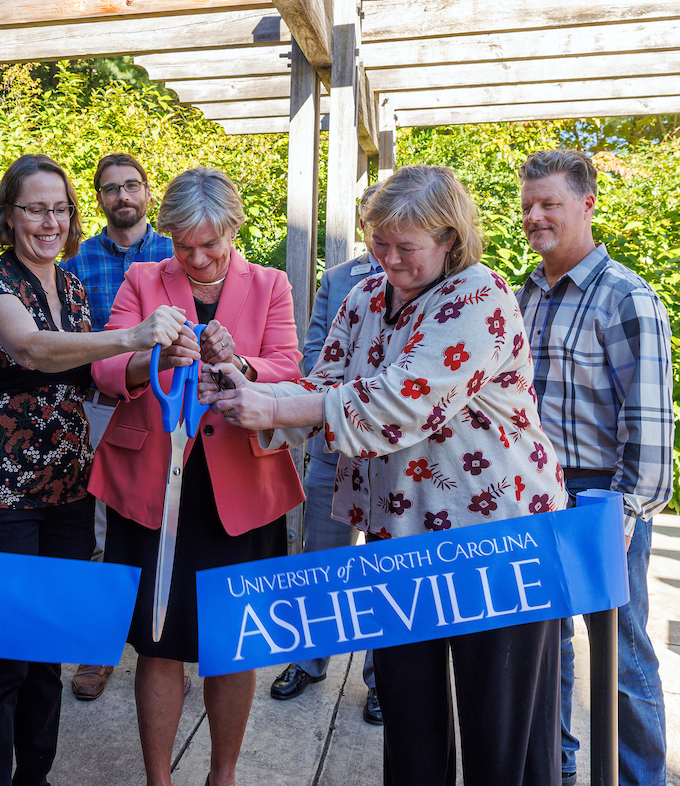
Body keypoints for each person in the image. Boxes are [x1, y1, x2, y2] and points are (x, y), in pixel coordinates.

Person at [203, 165, 566, 786]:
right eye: (380, 243)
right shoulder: (365, 296)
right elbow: (322, 387)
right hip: (400, 535)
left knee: (501, 733)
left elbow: (400, 402)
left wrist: (277, 407)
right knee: (408, 718)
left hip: (499, 538)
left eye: (407, 247)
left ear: (450, 238)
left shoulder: (481, 296)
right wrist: (248, 382)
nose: (390, 260)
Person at [0, 153, 186, 786]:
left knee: (47, 652)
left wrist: (168, 358)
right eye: (35, 208)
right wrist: (134, 337)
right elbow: (33, 348)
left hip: (68, 491)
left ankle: (35, 779)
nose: (50, 221)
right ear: (9, 214)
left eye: (61, 208)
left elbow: (96, 375)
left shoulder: (73, 286)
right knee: (0, 663)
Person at [88, 166, 305, 786]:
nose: (198, 258)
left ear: (235, 229)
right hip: (153, 488)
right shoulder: (140, 278)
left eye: (211, 244)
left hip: (240, 490)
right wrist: (147, 356)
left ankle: (222, 776)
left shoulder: (270, 285)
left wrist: (239, 364)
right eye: (184, 246)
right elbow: (106, 371)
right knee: (158, 641)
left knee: (235, 642)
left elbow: (289, 369)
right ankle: (160, 780)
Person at [515, 149, 672, 786]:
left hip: (600, 496)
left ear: (587, 204)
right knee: (541, 651)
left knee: (623, 652)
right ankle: (555, 771)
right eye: (528, 205)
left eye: (550, 203)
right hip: (528, 490)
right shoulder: (520, 292)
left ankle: (639, 780)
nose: (535, 216)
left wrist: (629, 511)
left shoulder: (627, 298)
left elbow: (651, 424)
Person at [59, 152, 174, 700]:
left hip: (169, 408)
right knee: (101, 532)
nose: (122, 196)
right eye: (110, 189)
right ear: (99, 199)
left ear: (147, 192)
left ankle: (172, 645)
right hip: (101, 406)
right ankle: (99, 648)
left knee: (171, 522)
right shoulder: (79, 262)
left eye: (132, 186)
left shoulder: (177, 252)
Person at [270, 183, 384, 726]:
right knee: (320, 558)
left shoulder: (442, 284)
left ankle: (383, 678)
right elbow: (315, 351)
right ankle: (309, 660)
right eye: (371, 223)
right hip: (334, 446)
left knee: (388, 565)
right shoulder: (339, 278)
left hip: (393, 451)